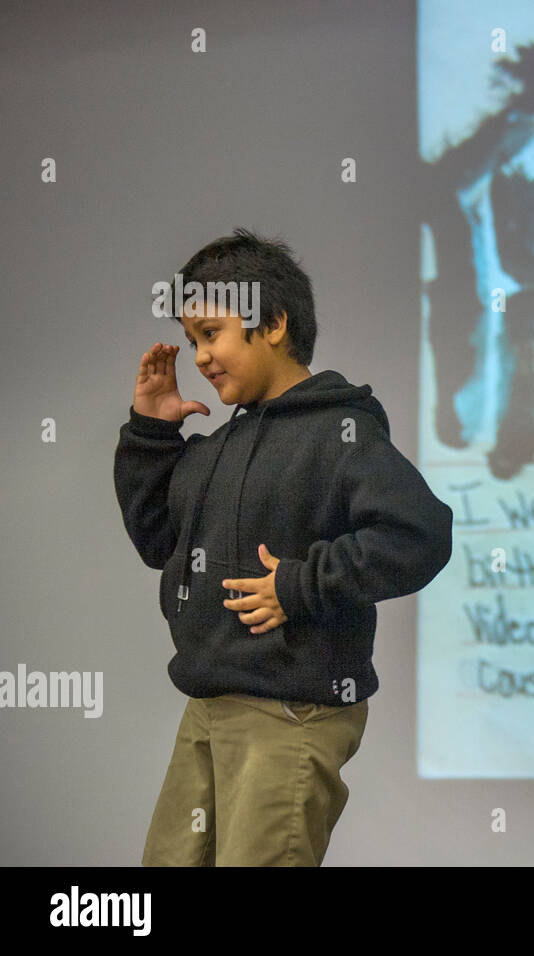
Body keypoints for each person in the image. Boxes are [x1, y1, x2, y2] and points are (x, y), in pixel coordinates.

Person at [113, 228, 453, 865]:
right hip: (209, 709)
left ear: (270, 322)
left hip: (289, 716)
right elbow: (158, 539)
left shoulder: (339, 433)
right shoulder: (214, 450)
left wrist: (299, 586)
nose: (200, 357)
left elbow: (420, 532)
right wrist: (151, 436)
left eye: (210, 334)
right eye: (191, 342)